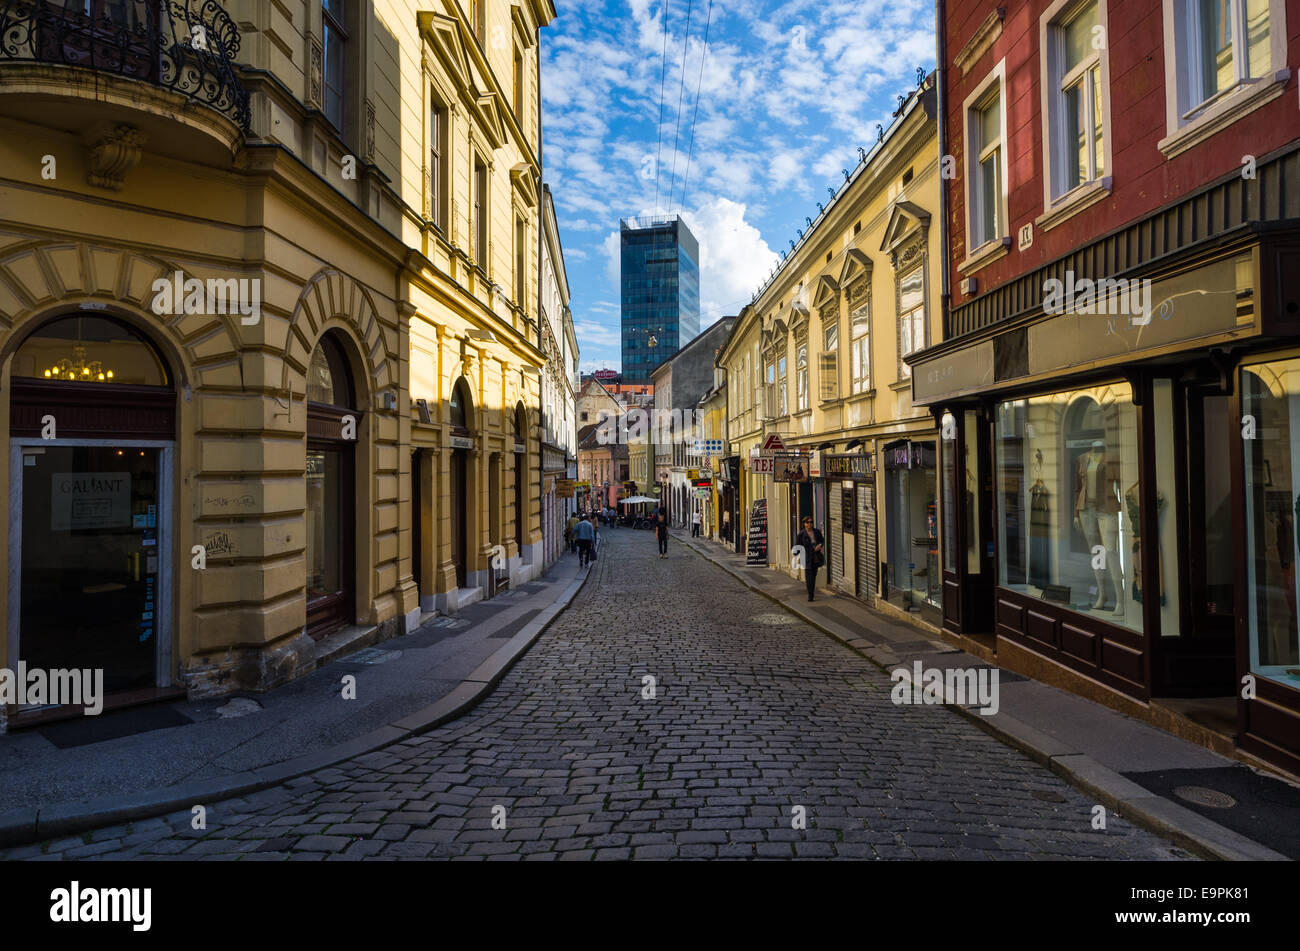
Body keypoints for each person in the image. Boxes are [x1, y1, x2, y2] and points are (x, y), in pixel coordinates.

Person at [795, 515, 825, 602]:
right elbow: (798, 545)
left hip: (815, 556)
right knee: (809, 577)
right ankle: (810, 595)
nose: (809, 524)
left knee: (814, 575)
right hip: (806, 557)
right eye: (807, 522)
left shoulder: (816, 532)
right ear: (804, 524)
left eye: (811, 522)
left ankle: (811, 591)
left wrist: (820, 545)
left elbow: (821, 540)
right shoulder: (801, 534)